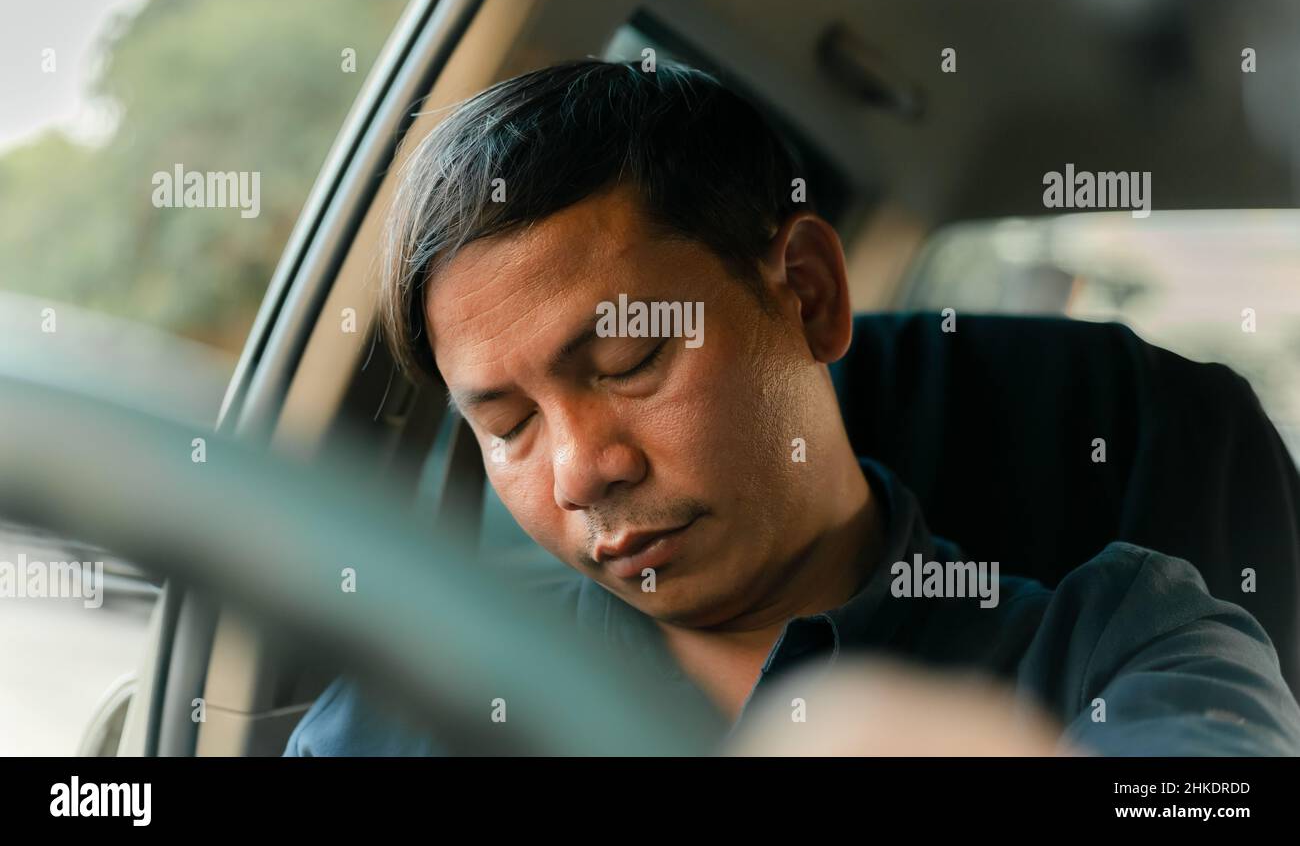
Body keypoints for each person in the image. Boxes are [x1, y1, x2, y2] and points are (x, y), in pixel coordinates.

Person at [284, 60, 1300, 756]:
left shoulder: (1128, 646)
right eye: (507, 426)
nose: (579, 471)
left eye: (630, 360)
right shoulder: (409, 701)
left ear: (807, 294)